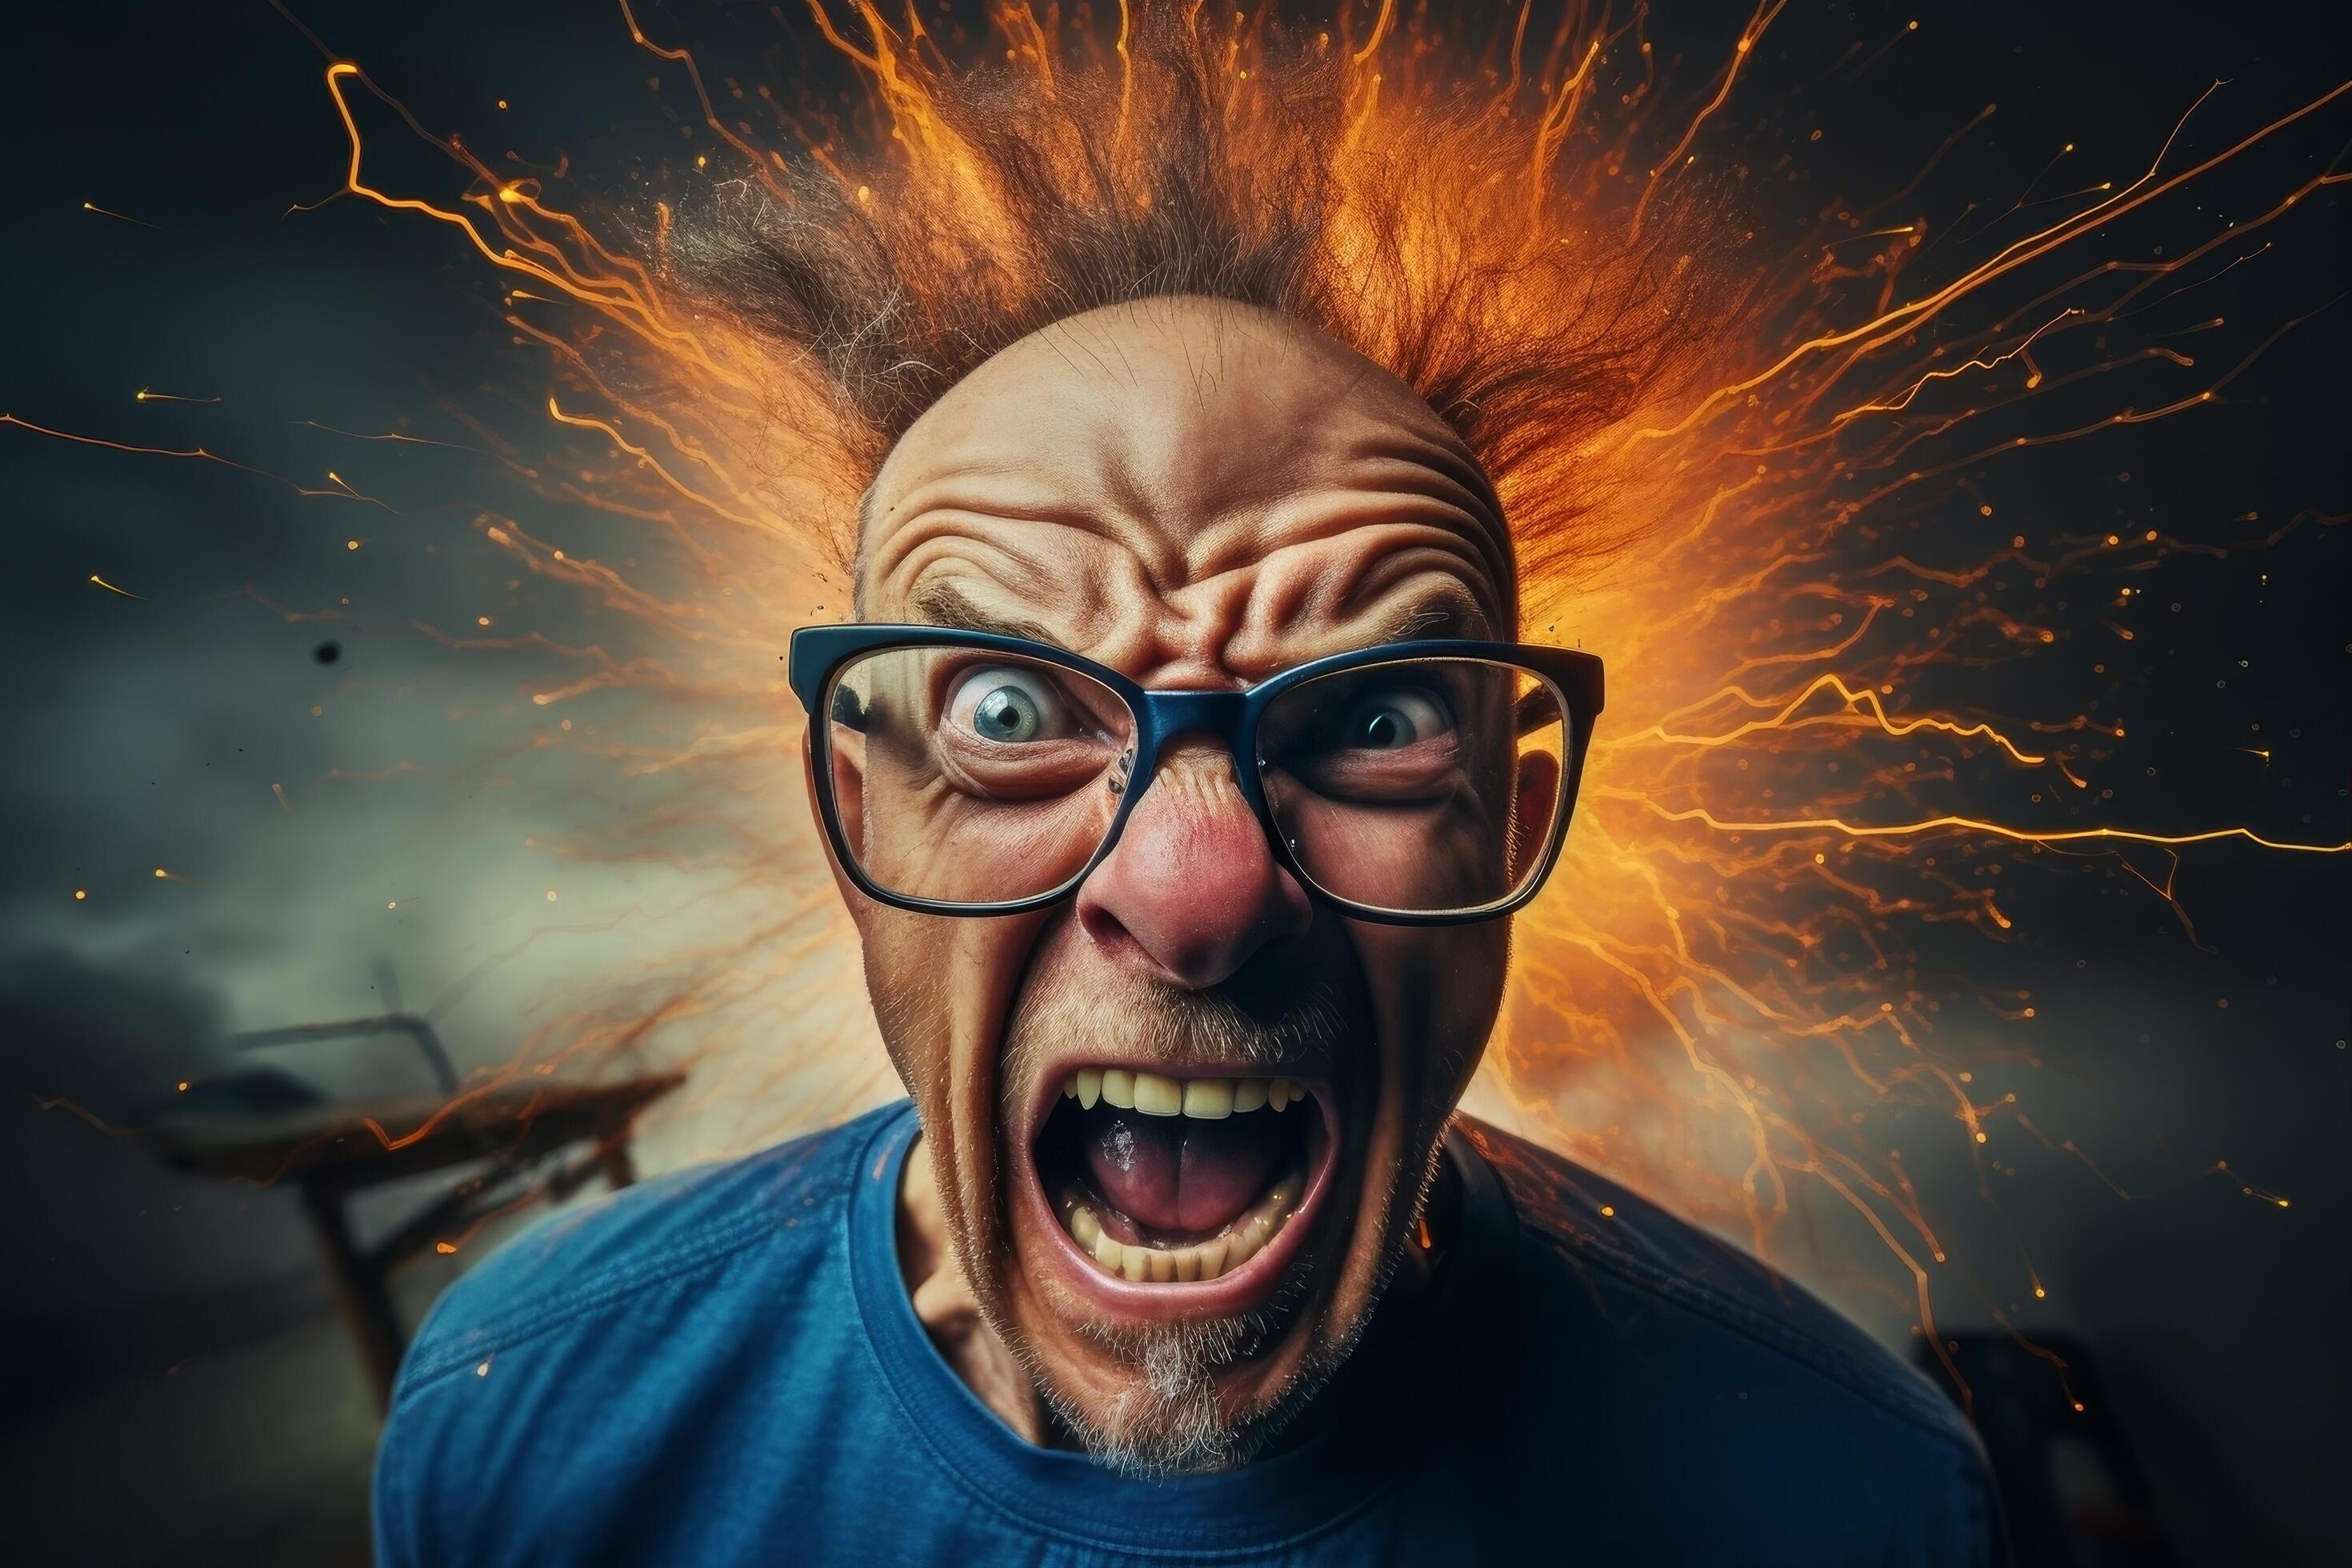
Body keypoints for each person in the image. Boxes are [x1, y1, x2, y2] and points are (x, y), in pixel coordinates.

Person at [374, 10, 2006, 1563]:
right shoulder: (526, 1420)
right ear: (861, 822)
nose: (1196, 889)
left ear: (1507, 835)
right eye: (1010, 704)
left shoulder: (1853, 1497)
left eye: (1374, 720)